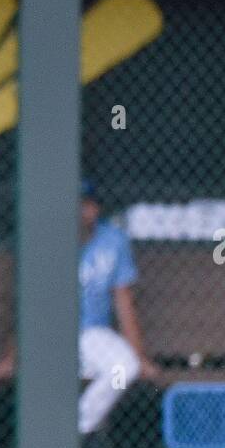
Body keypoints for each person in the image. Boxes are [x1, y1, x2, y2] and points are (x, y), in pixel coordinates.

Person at [78, 180, 157, 434]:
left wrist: (139, 355)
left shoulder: (113, 240)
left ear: (95, 209)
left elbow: (123, 301)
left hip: (92, 334)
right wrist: (13, 356)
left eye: (86, 205)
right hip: (49, 333)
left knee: (123, 369)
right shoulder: (45, 238)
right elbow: (22, 307)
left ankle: (77, 429)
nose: (82, 212)